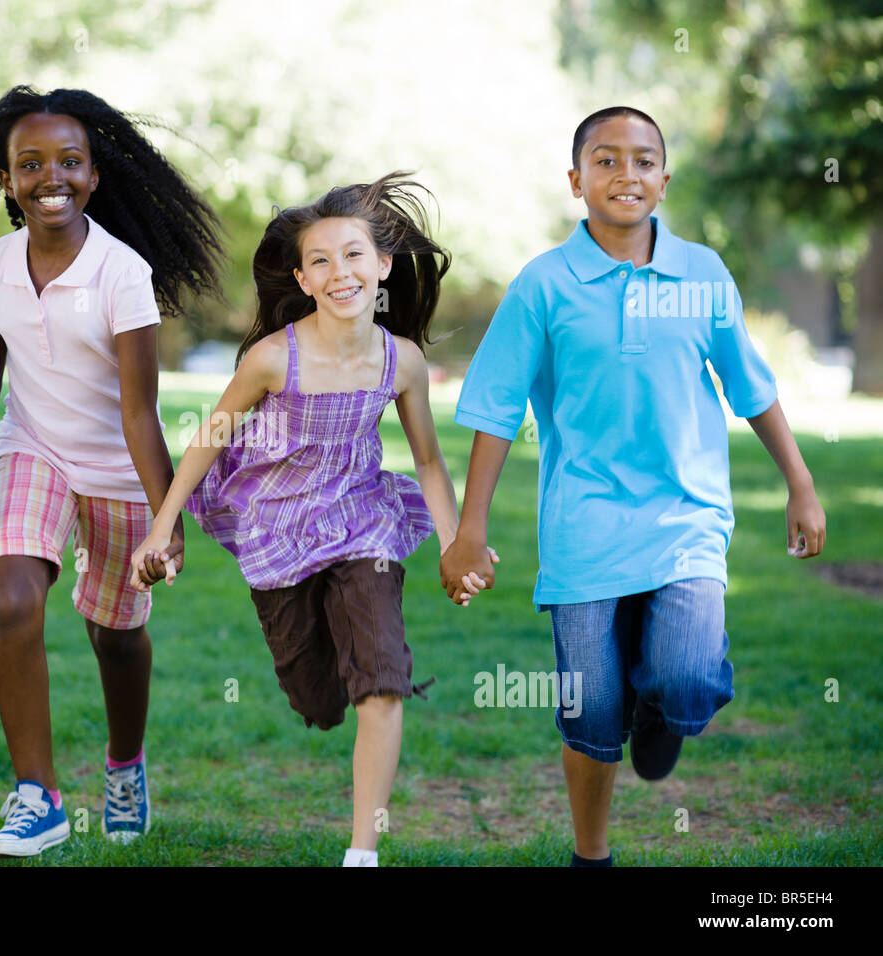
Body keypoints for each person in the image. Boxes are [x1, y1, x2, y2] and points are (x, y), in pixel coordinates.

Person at [440, 106, 827, 866]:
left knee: (683, 681)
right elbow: (494, 409)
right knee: (590, 716)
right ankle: (592, 856)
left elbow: (750, 386)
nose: (627, 174)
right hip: (584, 527)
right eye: (607, 160)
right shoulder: (544, 285)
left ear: (665, 177)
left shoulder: (702, 274)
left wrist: (802, 485)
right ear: (576, 180)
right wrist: (470, 531)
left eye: (644, 160)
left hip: (685, 521)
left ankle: (663, 713)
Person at [131, 173, 487, 867]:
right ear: (302, 276)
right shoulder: (273, 359)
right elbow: (210, 437)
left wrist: (455, 544)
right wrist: (161, 525)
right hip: (277, 532)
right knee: (320, 698)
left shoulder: (401, 361)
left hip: (364, 523)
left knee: (381, 678)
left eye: (354, 254)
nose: (339, 271)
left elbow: (431, 464)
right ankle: (327, 689)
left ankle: (362, 853)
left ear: (383, 265)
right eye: (320, 260)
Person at [0, 86, 225, 857]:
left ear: (95, 176)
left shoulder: (122, 273)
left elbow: (140, 413)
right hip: (34, 450)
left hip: (123, 472)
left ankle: (125, 764)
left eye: (69, 161)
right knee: (9, 599)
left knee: (115, 635)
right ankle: (38, 796)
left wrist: (167, 520)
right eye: (29, 163)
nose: (49, 176)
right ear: (5, 178)